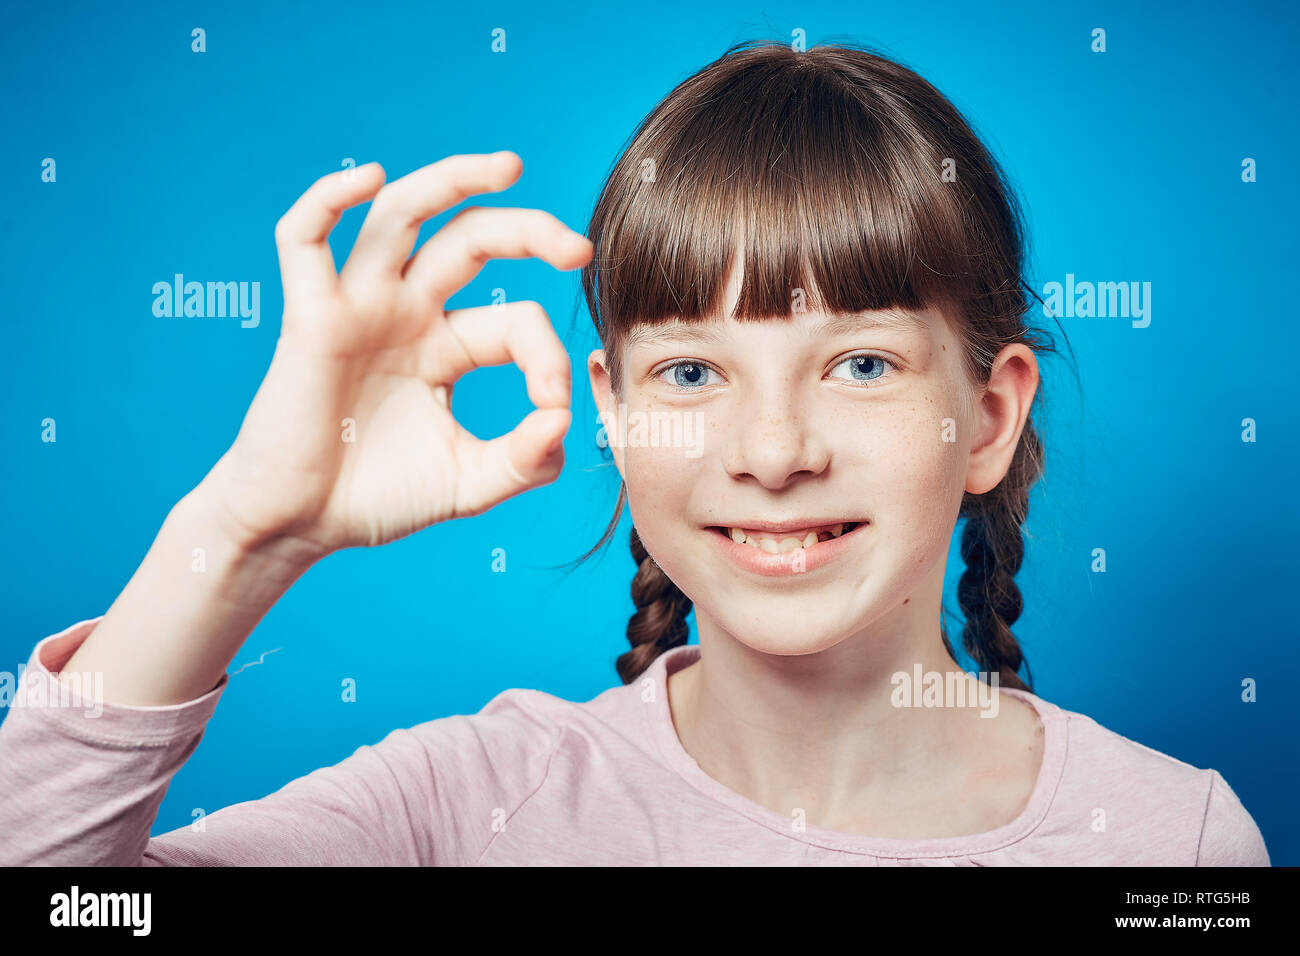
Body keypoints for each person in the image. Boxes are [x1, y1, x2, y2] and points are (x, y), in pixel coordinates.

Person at [0, 40, 1269, 866]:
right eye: (692, 372)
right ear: (613, 411)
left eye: (863, 364)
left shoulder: (1177, 844)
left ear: (987, 415)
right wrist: (242, 531)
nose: (771, 451)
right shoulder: (462, 804)